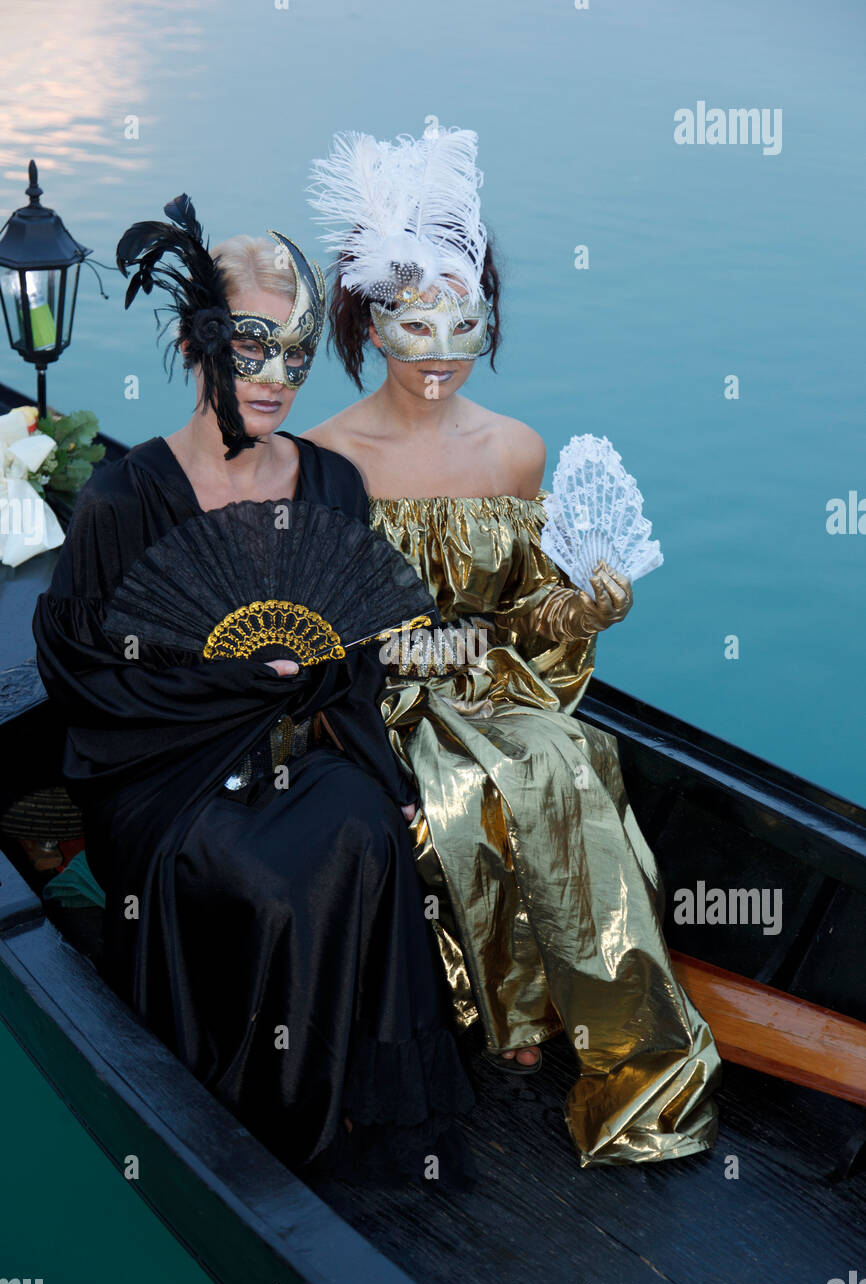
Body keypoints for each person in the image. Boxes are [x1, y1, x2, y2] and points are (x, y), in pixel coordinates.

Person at [33, 196, 475, 1185]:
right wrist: (225, 681)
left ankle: (357, 1100)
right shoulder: (123, 499)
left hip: (305, 757)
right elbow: (86, 670)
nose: (276, 375)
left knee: (365, 824)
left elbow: (355, 656)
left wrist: (318, 670)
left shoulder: (329, 486)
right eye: (251, 347)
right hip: (167, 775)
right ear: (198, 348)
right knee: (277, 880)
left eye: (297, 352)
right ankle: (270, 1122)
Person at [305, 125, 721, 1166]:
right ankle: (506, 1015)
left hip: (493, 680)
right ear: (369, 320)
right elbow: (311, 638)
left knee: (574, 763)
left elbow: (529, 616)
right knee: (457, 796)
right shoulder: (325, 460)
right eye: (414, 322)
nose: (439, 350)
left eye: (462, 321)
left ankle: (615, 1049)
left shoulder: (515, 447)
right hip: (374, 700)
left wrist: (584, 612)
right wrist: (408, 664)